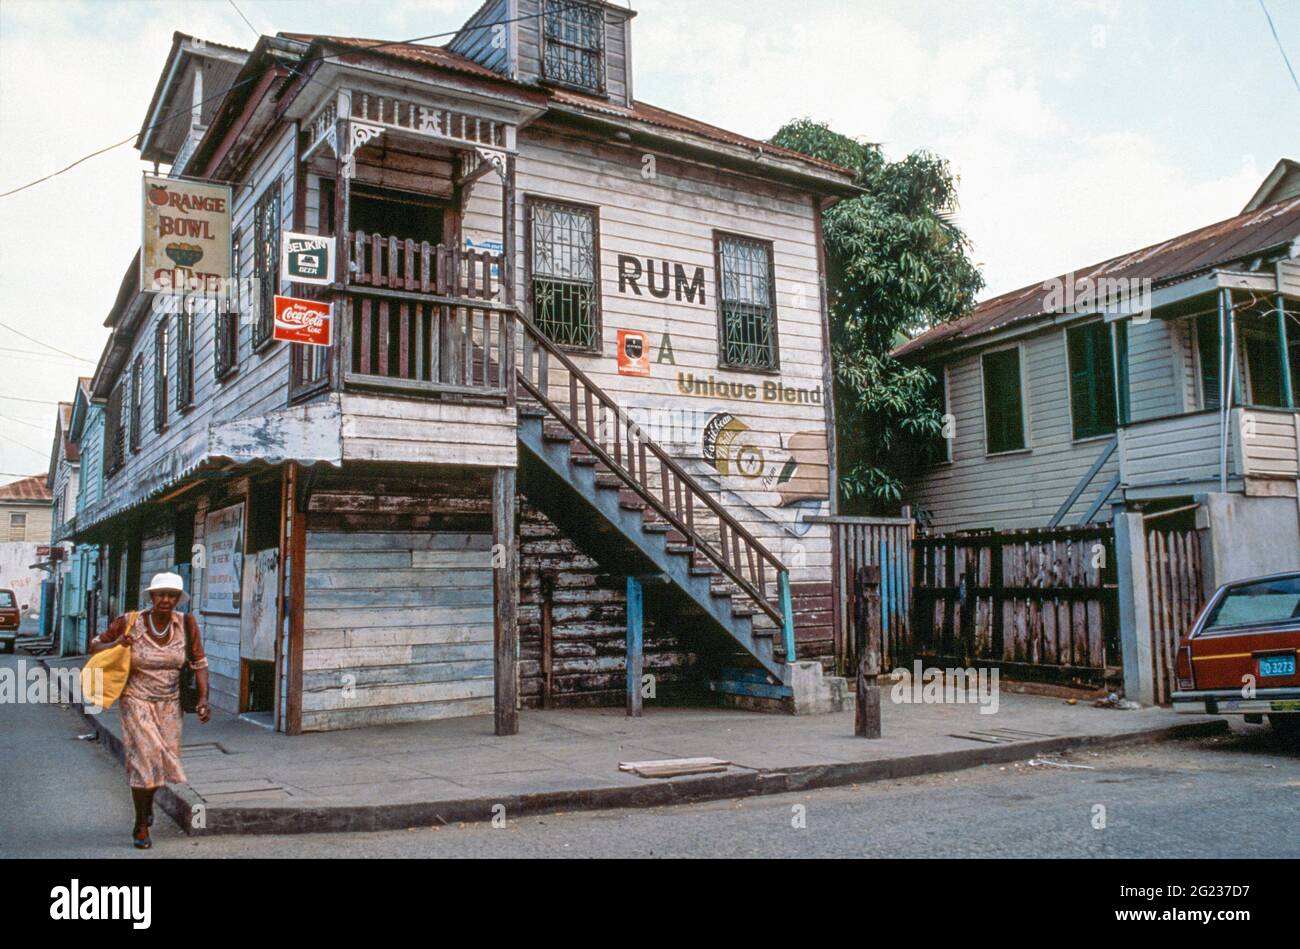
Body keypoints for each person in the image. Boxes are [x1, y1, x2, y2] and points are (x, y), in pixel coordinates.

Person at [88, 571, 209, 849]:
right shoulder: (130, 622)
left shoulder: (187, 624)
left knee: (162, 761)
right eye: (160, 594)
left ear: (178, 599)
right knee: (145, 759)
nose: (165, 600)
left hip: (170, 702)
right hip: (136, 699)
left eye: (171, 595)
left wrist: (203, 698)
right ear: (151, 597)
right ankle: (141, 824)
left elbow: (200, 663)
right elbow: (95, 646)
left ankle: (147, 805)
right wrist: (117, 644)